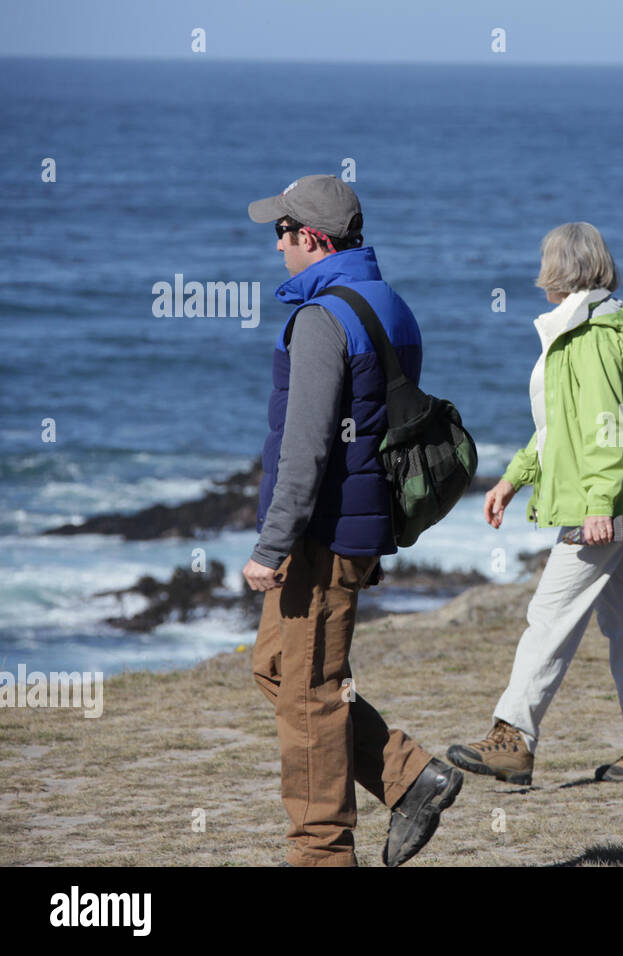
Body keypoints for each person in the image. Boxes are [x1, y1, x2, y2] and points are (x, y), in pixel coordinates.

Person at [243, 174, 461, 867]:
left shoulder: (319, 319)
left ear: (312, 238)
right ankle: (408, 775)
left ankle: (322, 857)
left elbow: (305, 447)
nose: (275, 243)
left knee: (308, 699)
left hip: (322, 534)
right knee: (278, 667)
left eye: (282, 231)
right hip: (361, 527)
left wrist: (271, 543)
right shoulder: (388, 304)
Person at [447, 222, 623, 784]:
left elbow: (606, 430)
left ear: (559, 270)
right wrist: (514, 479)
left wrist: (599, 503)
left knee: (548, 618)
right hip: (605, 500)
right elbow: (558, 427)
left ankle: (514, 736)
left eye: (545, 263)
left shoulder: (594, 335)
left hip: (599, 505)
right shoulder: (580, 329)